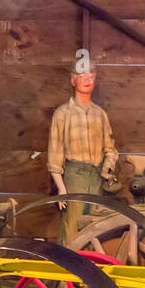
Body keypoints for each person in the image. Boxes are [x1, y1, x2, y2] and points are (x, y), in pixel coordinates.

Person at [48, 58, 118, 245]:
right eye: (82, 76)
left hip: (96, 179)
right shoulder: (62, 114)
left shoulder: (100, 115)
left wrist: (107, 168)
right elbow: (55, 154)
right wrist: (61, 188)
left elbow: (110, 149)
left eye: (91, 76)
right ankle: (66, 271)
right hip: (74, 178)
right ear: (73, 80)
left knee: (94, 229)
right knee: (71, 229)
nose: (87, 80)